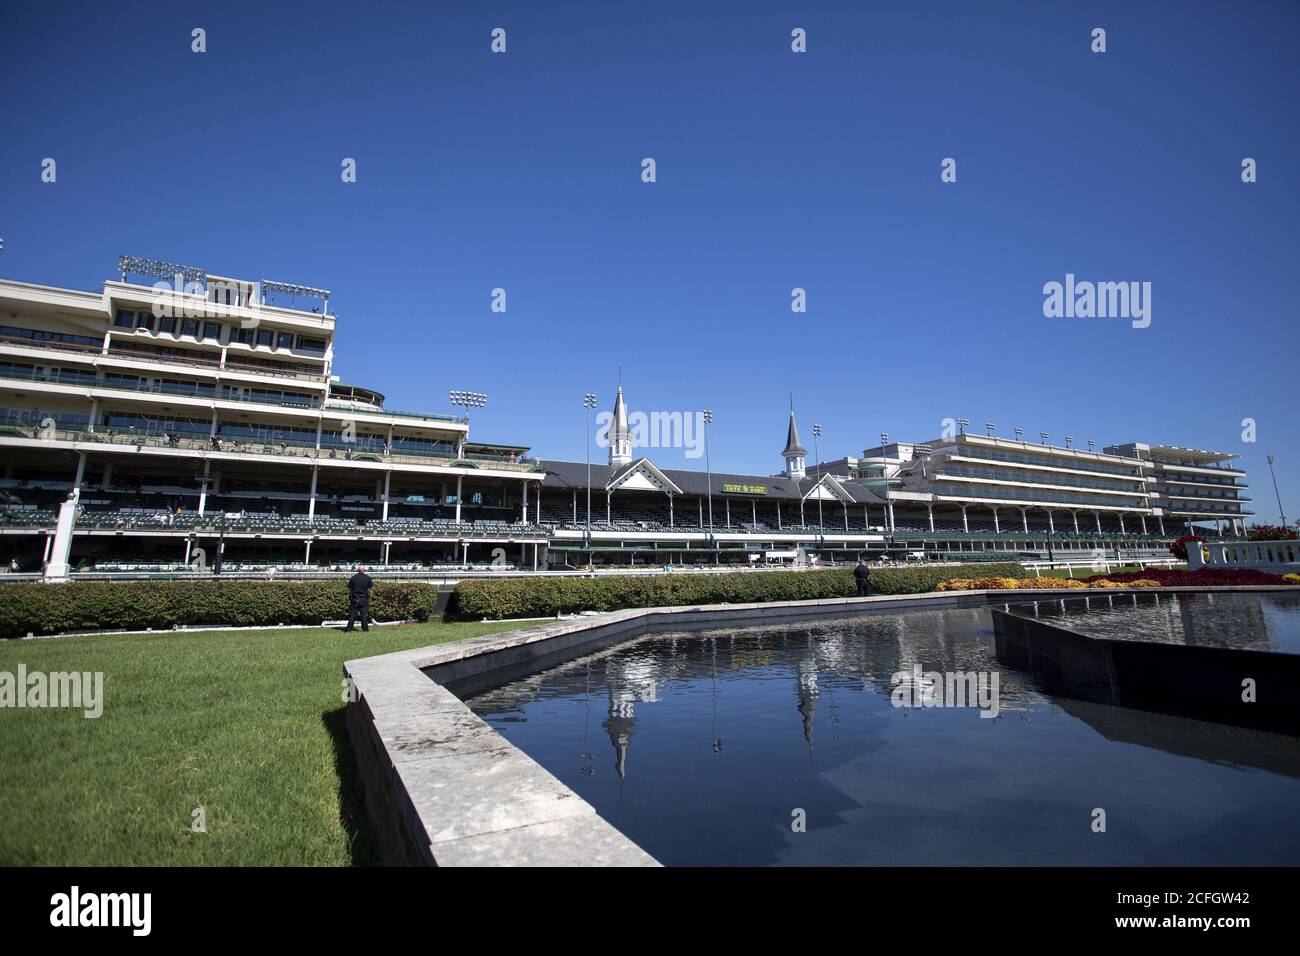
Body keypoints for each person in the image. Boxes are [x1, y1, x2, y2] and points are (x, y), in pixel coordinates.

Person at [345, 564, 374, 632]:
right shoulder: (368, 578)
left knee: (352, 615)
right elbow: (370, 587)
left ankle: (349, 629)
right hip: (364, 598)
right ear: (364, 570)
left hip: (355, 598)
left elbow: (350, 587)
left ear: (358, 570)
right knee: (364, 615)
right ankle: (365, 629)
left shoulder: (353, 578)